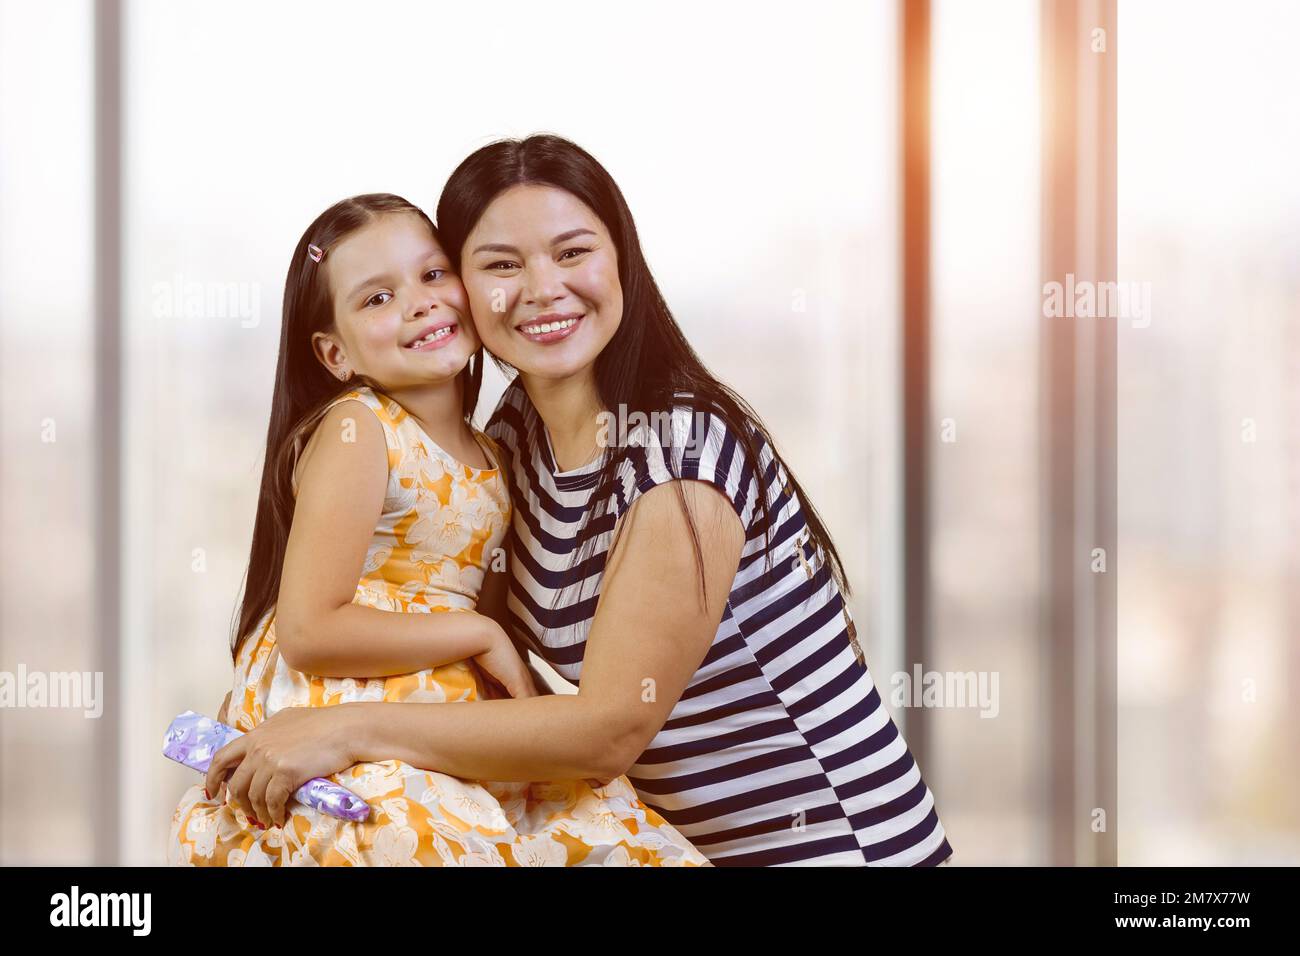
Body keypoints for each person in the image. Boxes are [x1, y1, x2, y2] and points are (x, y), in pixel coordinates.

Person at [208, 137, 955, 866]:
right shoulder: (511, 446)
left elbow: (608, 731)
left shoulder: (680, 454)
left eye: (573, 252)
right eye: (501, 264)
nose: (541, 289)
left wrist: (344, 731)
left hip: (845, 847)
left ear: (621, 259)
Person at [169, 192, 708, 866]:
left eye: (431, 275)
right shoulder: (357, 428)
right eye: (376, 298)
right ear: (334, 353)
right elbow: (310, 630)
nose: (420, 303)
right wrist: (479, 633)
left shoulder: (497, 450)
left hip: (434, 703)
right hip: (344, 694)